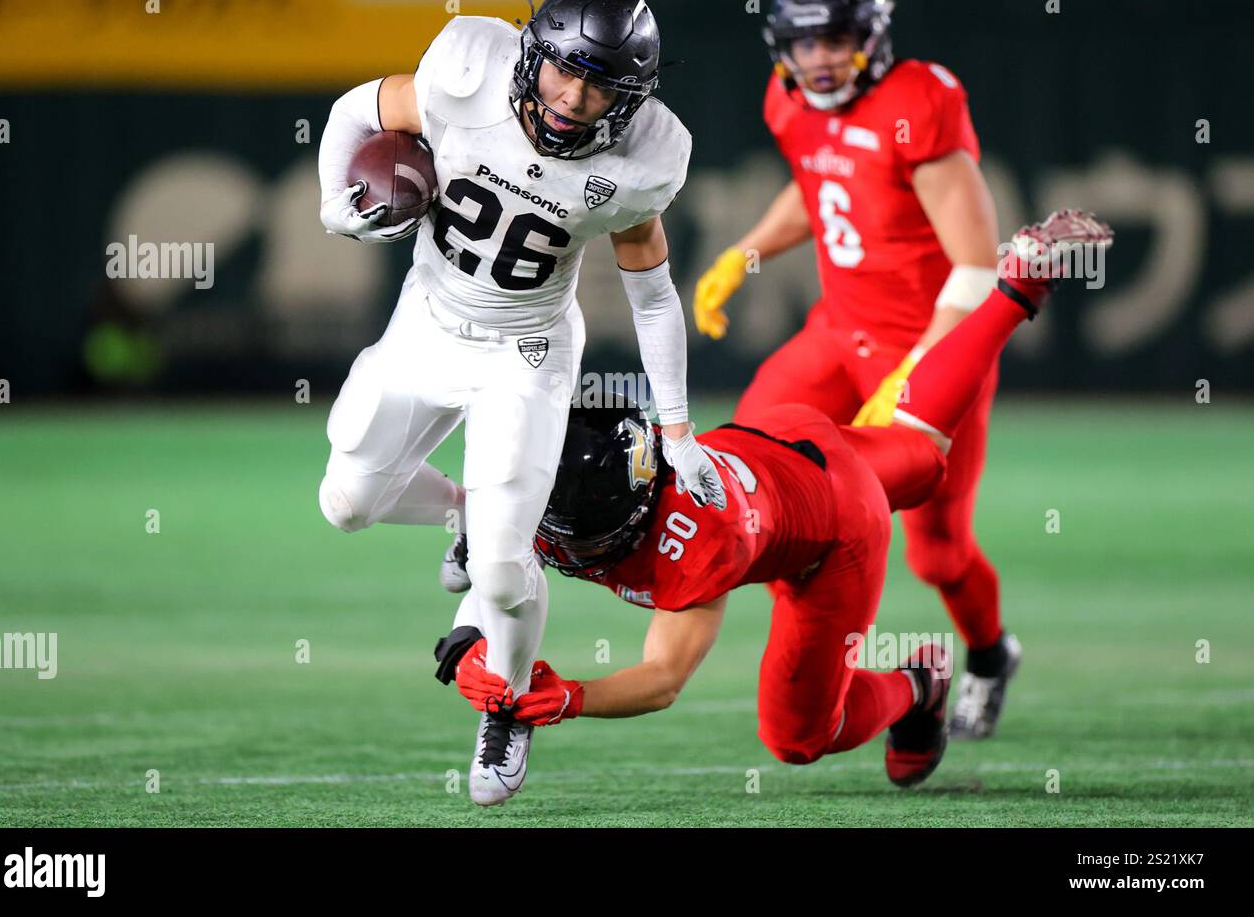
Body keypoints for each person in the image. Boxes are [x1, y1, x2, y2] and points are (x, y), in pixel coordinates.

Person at [445, 211, 1111, 786]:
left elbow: (664, 676)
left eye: (567, 531)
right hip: (781, 435)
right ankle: (1015, 288)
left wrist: (573, 697)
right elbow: (494, 550)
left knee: (799, 738)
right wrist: (469, 636)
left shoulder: (701, 541)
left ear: (631, 521)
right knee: (918, 451)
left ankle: (919, 684)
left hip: (834, 528)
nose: (551, 541)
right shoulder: (600, 478)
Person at [315, 0, 725, 806]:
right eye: (562, 71)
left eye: (600, 83)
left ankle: (505, 707)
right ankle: (464, 509)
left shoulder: (644, 160)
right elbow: (356, 109)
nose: (573, 98)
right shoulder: (464, 71)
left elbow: (652, 292)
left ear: (631, 95)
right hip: (429, 318)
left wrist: (677, 430)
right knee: (346, 502)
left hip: (527, 347)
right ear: (531, 54)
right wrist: (336, 207)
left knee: (504, 571)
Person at [691, 0, 1017, 738]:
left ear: (868, 38)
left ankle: (989, 654)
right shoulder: (791, 101)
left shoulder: (919, 101)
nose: (820, 60)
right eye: (805, 44)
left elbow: (978, 264)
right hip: (839, 335)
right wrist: (746, 253)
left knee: (936, 554)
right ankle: (846, 667)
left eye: (835, 40)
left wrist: (917, 369)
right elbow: (819, 182)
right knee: (753, 485)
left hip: (934, 348)